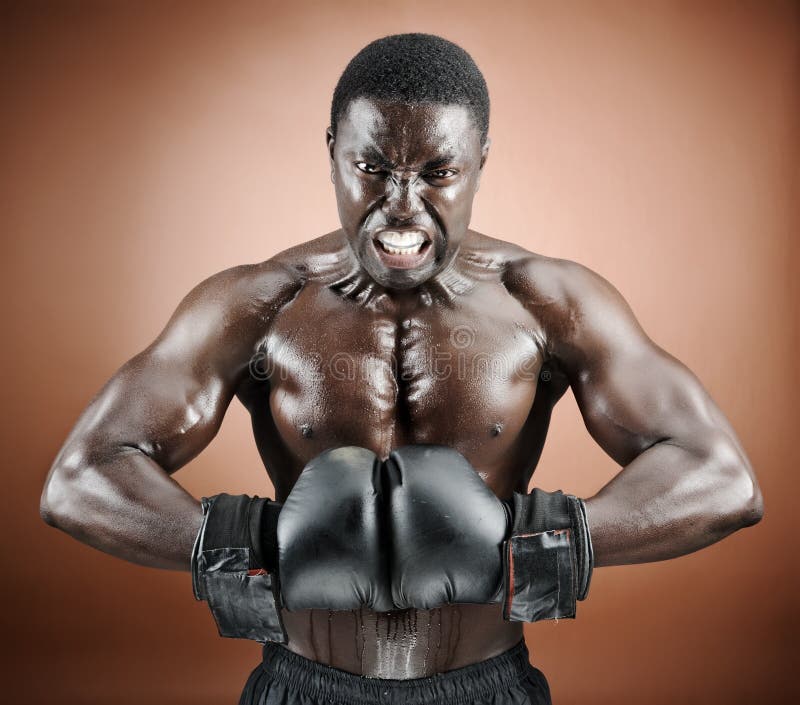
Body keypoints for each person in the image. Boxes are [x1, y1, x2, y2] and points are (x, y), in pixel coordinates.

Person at [39, 33, 763, 705]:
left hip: (486, 686)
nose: (401, 207)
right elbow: (82, 477)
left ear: (482, 158)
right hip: (302, 684)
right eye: (373, 168)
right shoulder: (256, 302)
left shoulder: (547, 299)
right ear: (331, 150)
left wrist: (524, 542)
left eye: (439, 172)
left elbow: (720, 477)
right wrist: (253, 542)